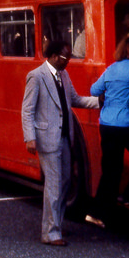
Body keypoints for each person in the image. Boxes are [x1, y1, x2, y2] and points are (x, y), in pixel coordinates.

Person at [21, 40, 99, 246]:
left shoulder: (63, 75)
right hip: (47, 138)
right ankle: (51, 232)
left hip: (64, 137)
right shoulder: (36, 76)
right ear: (54, 56)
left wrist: (100, 101)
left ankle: (56, 225)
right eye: (65, 58)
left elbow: (75, 99)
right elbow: (27, 110)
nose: (68, 62)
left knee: (65, 181)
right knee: (54, 185)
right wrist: (30, 137)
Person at [87, 35, 129, 226]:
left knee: (110, 170)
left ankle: (97, 213)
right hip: (124, 123)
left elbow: (94, 90)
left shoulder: (111, 68)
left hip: (106, 124)